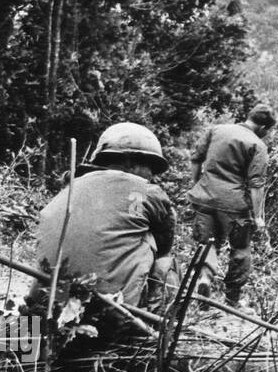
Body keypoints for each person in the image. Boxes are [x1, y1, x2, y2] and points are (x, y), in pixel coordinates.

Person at [28, 122, 177, 352]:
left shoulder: (67, 190)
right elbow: (165, 245)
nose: (152, 176)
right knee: (166, 263)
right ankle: (148, 343)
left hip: (43, 315)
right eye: (150, 168)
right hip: (111, 320)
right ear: (131, 163)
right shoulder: (145, 191)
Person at [187, 103, 276, 307]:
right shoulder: (258, 145)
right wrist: (258, 216)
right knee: (241, 249)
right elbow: (256, 184)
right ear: (263, 128)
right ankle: (231, 299)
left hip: (204, 197)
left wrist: (196, 185)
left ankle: (205, 278)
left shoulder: (217, 130)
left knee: (207, 242)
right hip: (234, 205)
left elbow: (195, 158)